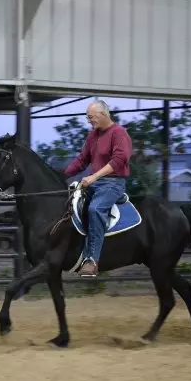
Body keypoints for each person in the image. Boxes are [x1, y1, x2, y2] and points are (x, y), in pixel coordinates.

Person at [64, 100, 133, 277]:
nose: (89, 121)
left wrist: (94, 176)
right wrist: (61, 175)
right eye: (88, 118)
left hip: (113, 183)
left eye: (91, 117)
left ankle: (91, 260)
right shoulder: (92, 136)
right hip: (94, 183)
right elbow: (82, 160)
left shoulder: (119, 133)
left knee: (95, 209)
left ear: (103, 114)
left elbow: (118, 160)